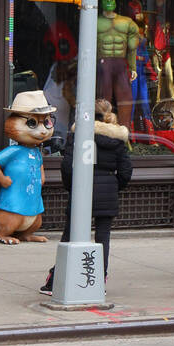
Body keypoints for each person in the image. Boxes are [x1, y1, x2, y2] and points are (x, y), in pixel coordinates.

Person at [41, 100, 133, 295]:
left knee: (69, 236)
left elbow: (67, 166)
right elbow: (125, 171)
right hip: (107, 190)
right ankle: (98, 281)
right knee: (103, 238)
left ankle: (56, 280)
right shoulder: (117, 138)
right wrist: (114, 186)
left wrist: (72, 187)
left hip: (81, 189)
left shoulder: (79, 135)